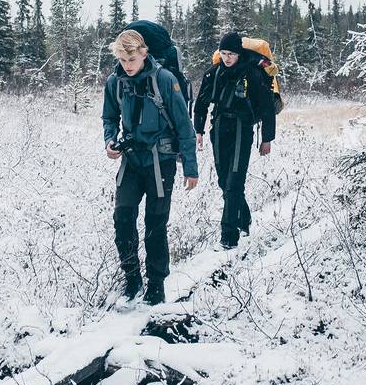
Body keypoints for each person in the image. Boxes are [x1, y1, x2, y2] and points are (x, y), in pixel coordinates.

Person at [102, 29, 198, 305]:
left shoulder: (165, 80)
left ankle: (156, 284)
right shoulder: (115, 83)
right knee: (122, 218)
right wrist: (110, 141)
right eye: (122, 60)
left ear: (144, 54)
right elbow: (109, 117)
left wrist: (190, 168)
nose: (127, 66)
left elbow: (184, 125)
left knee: (155, 224)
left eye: (131, 60)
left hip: (161, 162)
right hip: (131, 161)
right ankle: (132, 280)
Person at [194, 32, 277, 249]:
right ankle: (244, 218)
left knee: (234, 182)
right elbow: (201, 103)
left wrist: (267, 139)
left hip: (242, 128)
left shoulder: (252, 74)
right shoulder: (214, 74)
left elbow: (267, 108)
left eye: (231, 53)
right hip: (219, 128)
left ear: (239, 54)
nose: (227, 58)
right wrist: (198, 130)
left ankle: (228, 238)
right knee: (224, 181)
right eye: (223, 53)